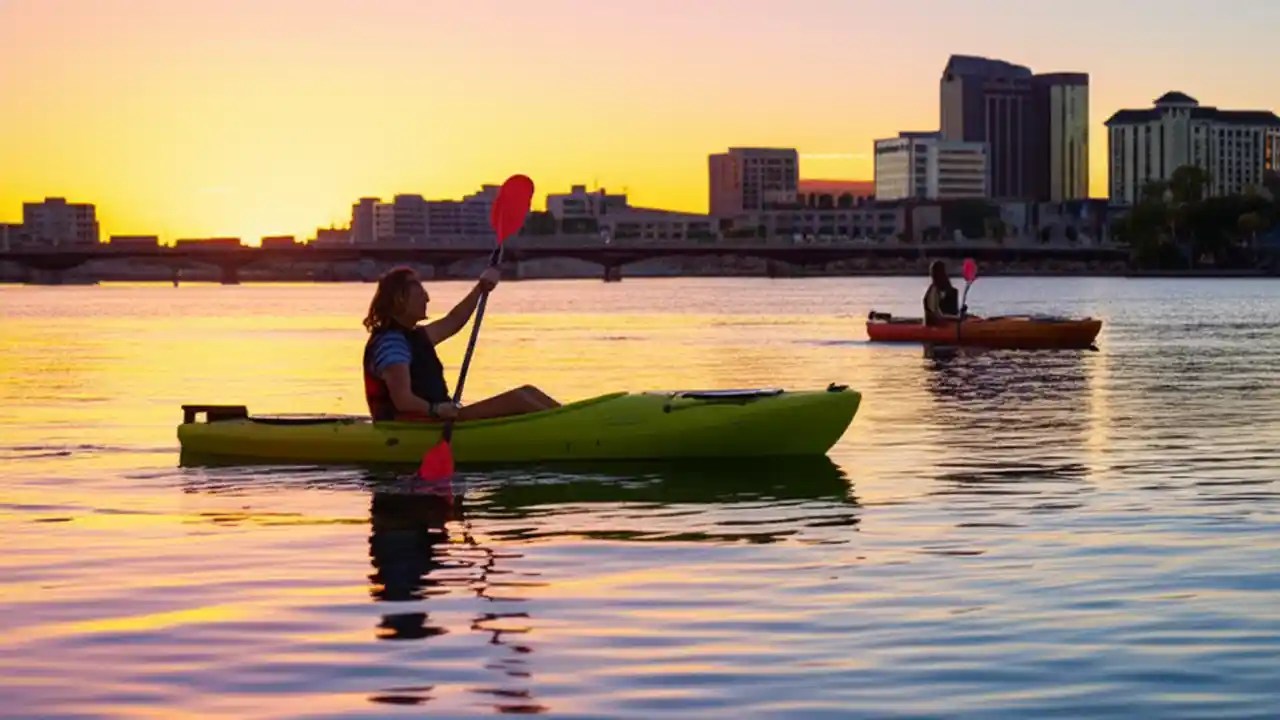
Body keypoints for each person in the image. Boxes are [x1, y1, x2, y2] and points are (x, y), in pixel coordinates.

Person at [362, 266, 560, 422]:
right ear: (400, 299)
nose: (428, 299)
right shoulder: (391, 344)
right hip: (418, 426)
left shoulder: (414, 336)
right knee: (519, 400)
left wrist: (481, 288)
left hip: (438, 418)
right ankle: (568, 430)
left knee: (528, 391)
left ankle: (571, 420)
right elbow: (403, 400)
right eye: (420, 294)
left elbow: (454, 320)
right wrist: (436, 409)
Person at [922, 260, 966, 326]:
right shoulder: (933, 292)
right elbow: (936, 316)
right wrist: (957, 318)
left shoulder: (950, 291)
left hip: (947, 323)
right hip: (937, 326)